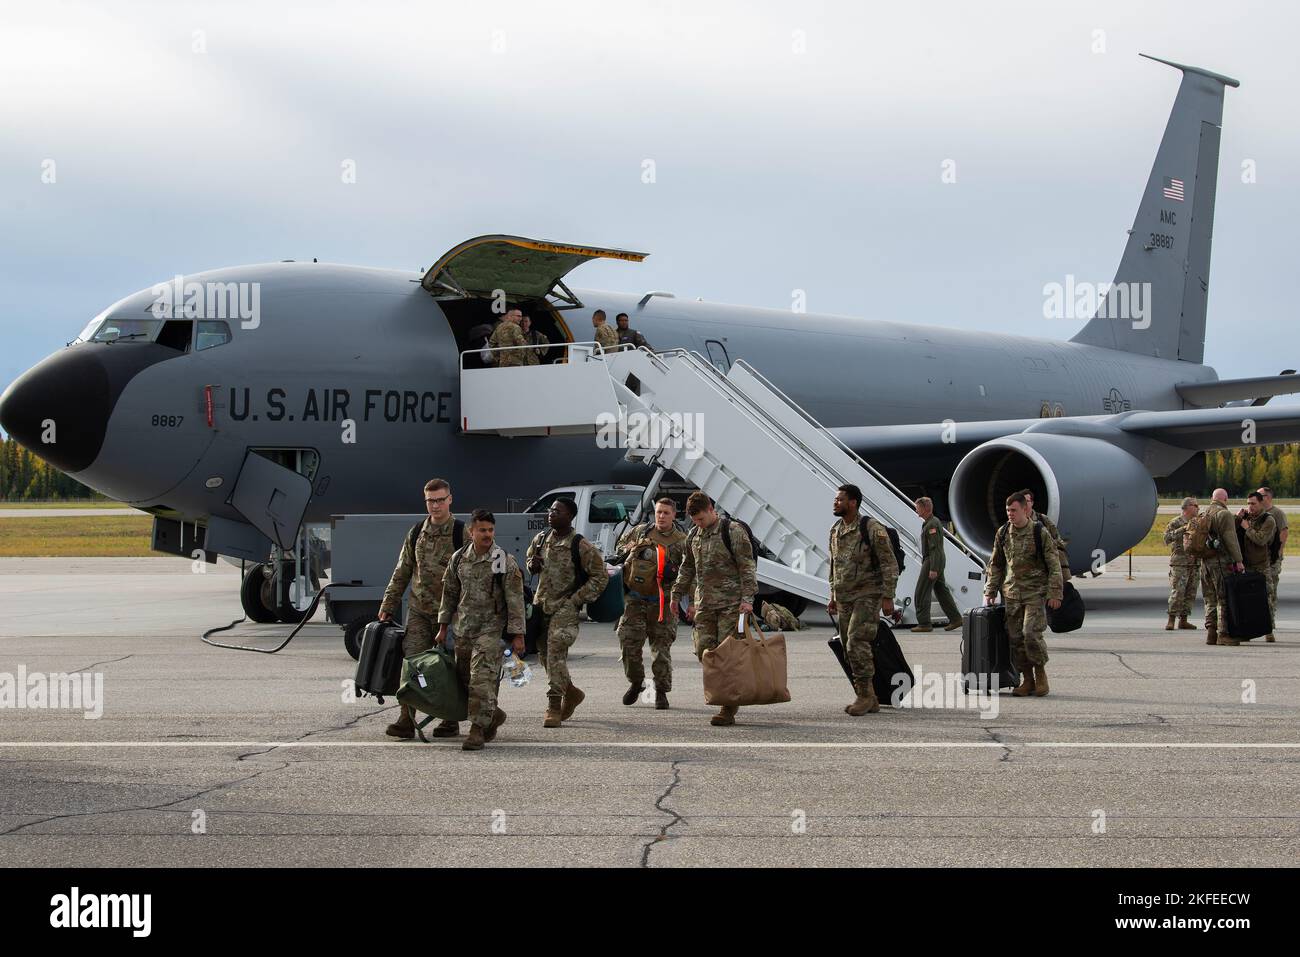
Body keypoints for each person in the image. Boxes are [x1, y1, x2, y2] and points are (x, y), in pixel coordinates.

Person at [377, 479, 463, 739]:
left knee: (448, 667)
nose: (435, 505)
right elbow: (402, 570)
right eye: (430, 501)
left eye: (440, 500)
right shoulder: (416, 532)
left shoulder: (461, 532)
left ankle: (450, 720)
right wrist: (388, 604)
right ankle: (406, 719)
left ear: (450, 499)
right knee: (411, 663)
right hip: (418, 611)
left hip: (450, 613)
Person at [436, 509, 525, 752]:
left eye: (490, 530)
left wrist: (518, 635)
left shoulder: (501, 559)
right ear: (471, 531)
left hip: (491, 630)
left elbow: (515, 599)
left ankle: (476, 730)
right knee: (464, 681)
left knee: (481, 681)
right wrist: (443, 627)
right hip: (464, 630)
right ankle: (493, 715)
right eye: (482, 530)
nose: (487, 534)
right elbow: (450, 594)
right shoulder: (458, 558)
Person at [669, 492, 757, 726]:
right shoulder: (694, 535)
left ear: (711, 509)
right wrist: (675, 595)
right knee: (704, 653)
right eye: (695, 520)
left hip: (731, 605)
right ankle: (726, 694)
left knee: (726, 655)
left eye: (701, 518)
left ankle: (727, 705)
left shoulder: (732, 531)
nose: (699, 524)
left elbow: (747, 567)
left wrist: (748, 599)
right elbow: (687, 568)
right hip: (705, 605)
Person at [526, 497, 609, 727]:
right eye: (551, 510)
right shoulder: (541, 539)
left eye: (557, 511)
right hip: (542, 605)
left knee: (554, 652)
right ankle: (571, 691)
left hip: (565, 607)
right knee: (544, 656)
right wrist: (532, 565)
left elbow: (600, 576)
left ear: (570, 516)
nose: (551, 514)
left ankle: (554, 705)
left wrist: (576, 600)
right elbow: (530, 561)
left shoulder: (580, 545)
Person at [826, 484, 898, 716]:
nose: (835, 502)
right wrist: (833, 595)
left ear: (853, 502)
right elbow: (834, 565)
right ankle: (872, 697)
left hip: (868, 595)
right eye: (835, 499)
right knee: (849, 649)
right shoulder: (835, 530)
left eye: (840, 499)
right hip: (845, 597)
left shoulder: (871, 528)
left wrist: (888, 597)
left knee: (856, 642)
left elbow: (889, 564)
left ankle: (865, 696)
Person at [984, 491, 1063, 697]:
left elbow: (1054, 565)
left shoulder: (1039, 532)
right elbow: (996, 565)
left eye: (1014, 510)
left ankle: (1041, 673)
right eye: (1008, 510)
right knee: (1016, 638)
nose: (1010, 514)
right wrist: (990, 590)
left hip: (1035, 593)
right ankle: (1027, 679)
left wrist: (1055, 592)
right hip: (1012, 593)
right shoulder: (1002, 533)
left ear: (1024, 510)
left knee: (1030, 633)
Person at [615, 497, 687, 709]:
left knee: (661, 651)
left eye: (666, 512)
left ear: (674, 514)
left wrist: (689, 601)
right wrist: (628, 548)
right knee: (628, 644)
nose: (661, 516)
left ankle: (661, 692)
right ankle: (637, 682)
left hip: (662, 603)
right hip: (635, 599)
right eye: (658, 512)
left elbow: (690, 572)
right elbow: (619, 549)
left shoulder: (681, 541)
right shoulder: (640, 532)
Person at [1199, 488, 1244, 646]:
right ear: (1225, 499)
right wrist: (1238, 560)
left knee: (1209, 598)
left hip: (1205, 562)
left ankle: (1211, 634)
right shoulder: (1223, 514)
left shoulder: (1204, 513)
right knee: (1223, 598)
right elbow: (1230, 539)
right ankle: (1223, 634)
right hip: (1219, 562)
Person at [911, 496, 962, 632]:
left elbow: (935, 548)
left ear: (926, 508)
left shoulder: (932, 524)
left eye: (918, 508)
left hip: (932, 560)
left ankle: (924, 623)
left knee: (921, 592)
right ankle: (956, 619)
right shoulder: (930, 522)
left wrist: (933, 568)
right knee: (941, 591)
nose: (916, 511)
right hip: (935, 559)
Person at [1163, 497, 1200, 631]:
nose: (1198, 508)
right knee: (1178, 592)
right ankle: (1171, 619)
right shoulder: (1176, 522)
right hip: (1180, 563)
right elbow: (1166, 539)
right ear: (1187, 507)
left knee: (1190, 592)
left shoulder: (1198, 522)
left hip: (1194, 563)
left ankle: (1184, 620)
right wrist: (1183, 529)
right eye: (1195, 506)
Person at [1021, 490, 1072, 582]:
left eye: (1027, 501)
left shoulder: (1043, 520)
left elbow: (1058, 541)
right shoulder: (1014, 522)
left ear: (1032, 503)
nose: (1024, 504)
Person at [1259, 487, 1287, 642]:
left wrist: (1278, 553)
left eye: (1260, 495)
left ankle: (1270, 621)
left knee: (1271, 589)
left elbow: (1284, 532)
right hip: (1260, 559)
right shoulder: (1257, 513)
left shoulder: (1277, 513)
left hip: (1272, 558)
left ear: (1267, 497)